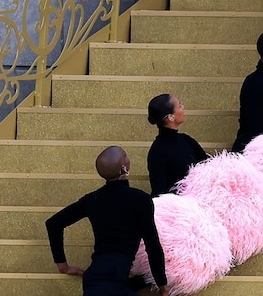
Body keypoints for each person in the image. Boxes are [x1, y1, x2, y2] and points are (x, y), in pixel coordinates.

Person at [46, 146, 166, 295]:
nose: (128, 159)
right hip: (113, 276)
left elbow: (53, 223)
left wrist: (63, 266)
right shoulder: (140, 199)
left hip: (96, 278)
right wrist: (163, 288)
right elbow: (153, 247)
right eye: (126, 156)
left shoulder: (92, 199)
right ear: (124, 167)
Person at [145, 93, 208, 197]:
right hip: (178, 208)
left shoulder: (186, 140)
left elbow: (207, 165)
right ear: (171, 117)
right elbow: (159, 192)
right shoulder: (157, 151)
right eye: (179, 106)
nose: (183, 107)